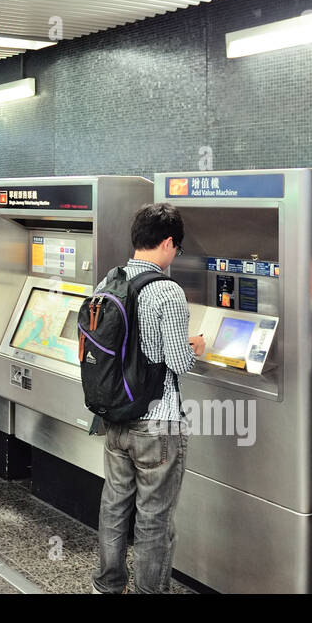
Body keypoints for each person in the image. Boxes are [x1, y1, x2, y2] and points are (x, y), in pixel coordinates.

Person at [93, 203, 203, 595]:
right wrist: (198, 346)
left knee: (114, 507)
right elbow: (178, 361)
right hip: (158, 424)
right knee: (154, 518)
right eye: (178, 249)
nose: (176, 256)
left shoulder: (109, 280)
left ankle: (106, 586)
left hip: (116, 417)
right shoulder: (166, 291)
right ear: (169, 242)